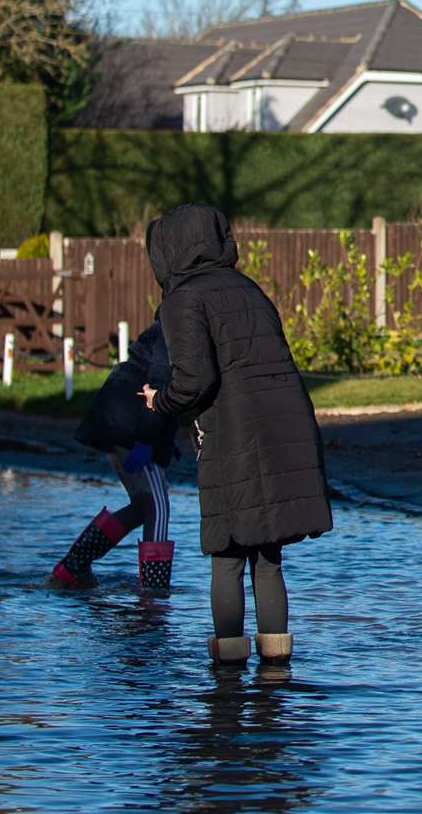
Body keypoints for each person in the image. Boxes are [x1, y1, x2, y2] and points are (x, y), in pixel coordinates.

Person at [139, 202, 332, 666]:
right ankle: (276, 673)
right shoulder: (249, 289)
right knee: (268, 555)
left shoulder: (182, 299)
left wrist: (158, 401)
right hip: (285, 432)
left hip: (232, 437)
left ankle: (227, 677)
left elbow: (194, 380)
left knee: (226, 553)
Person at [47, 319, 179, 594]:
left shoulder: (171, 318)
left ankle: (73, 566)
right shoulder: (177, 323)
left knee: (144, 505)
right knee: (158, 506)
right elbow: (157, 384)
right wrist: (146, 438)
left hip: (118, 415)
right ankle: (153, 592)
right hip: (133, 419)